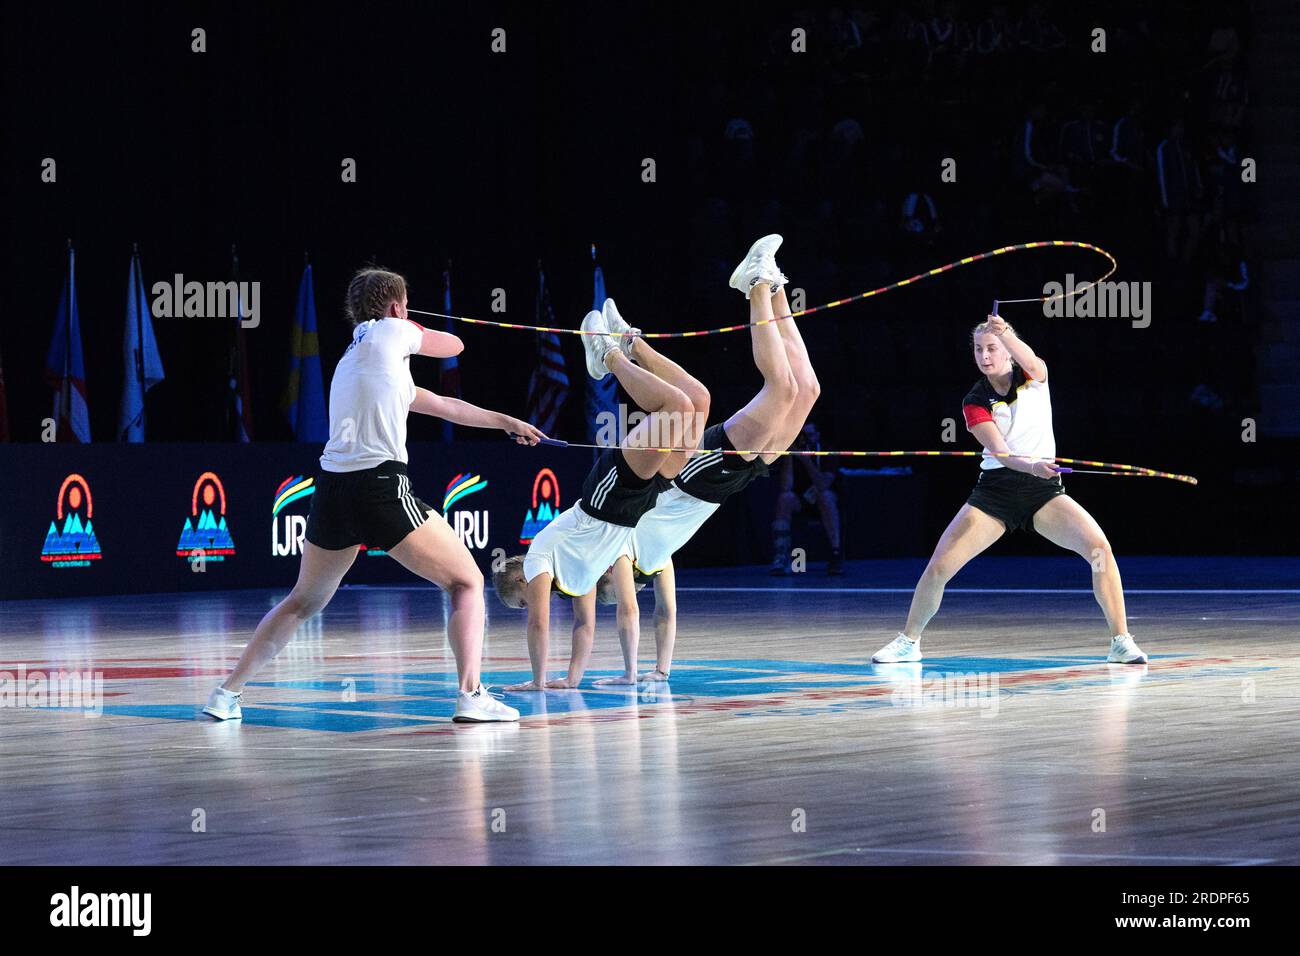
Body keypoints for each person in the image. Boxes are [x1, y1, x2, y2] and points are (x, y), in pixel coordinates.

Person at [204, 267, 543, 723]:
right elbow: (455, 346)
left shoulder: (357, 360)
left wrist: (508, 422)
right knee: (467, 582)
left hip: (331, 491)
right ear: (397, 307)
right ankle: (471, 695)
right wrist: (411, 321)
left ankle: (226, 695)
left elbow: (447, 407)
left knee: (303, 601)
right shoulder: (393, 331)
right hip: (380, 486)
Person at [594, 235, 822, 682]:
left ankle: (754, 285)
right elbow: (667, 614)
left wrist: (628, 672)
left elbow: (629, 613)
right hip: (727, 487)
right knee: (807, 390)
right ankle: (773, 290)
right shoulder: (657, 561)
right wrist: (658, 672)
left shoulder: (619, 546)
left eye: (613, 583)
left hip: (698, 477)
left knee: (784, 390)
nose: (624, 586)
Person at [870, 314, 1148, 665]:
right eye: (978, 349)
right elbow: (1000, 452)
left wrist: (1007, 333)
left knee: (1099, 549)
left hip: (1043, 494)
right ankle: (909, 642)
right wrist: (1032, 464)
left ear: (1008, 351)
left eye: (992, 348)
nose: (984, 356)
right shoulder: (975, 400)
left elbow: (1032, 359)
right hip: (995, 494)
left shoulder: (1033, 376)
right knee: (939, 567)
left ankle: (1121, 642)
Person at [490, 297, 708, 690]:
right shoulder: (574, 574)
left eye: (521, 602)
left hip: (607, 498)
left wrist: (537, 682)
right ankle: (630, 342)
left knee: (673, 406)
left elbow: (540, 624)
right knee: (697, 402)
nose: (531, 606)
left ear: (520, 581)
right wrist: (570, 680)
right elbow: (584, 624)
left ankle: (606, 353)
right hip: (639, 503)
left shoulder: (539, 556)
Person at [770, 421, 843, 575]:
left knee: (825, 496)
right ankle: (781, 556)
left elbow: (823, 484)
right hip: (801, 500)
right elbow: (785, 487)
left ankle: (836, 554)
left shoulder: (827, 451)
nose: (805, 439)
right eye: (801, 435)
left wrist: (806, 460)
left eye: (809, 435)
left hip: (824, 501)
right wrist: (791, 456)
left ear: (817, 435)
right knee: (785, 498)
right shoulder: (793, 452)